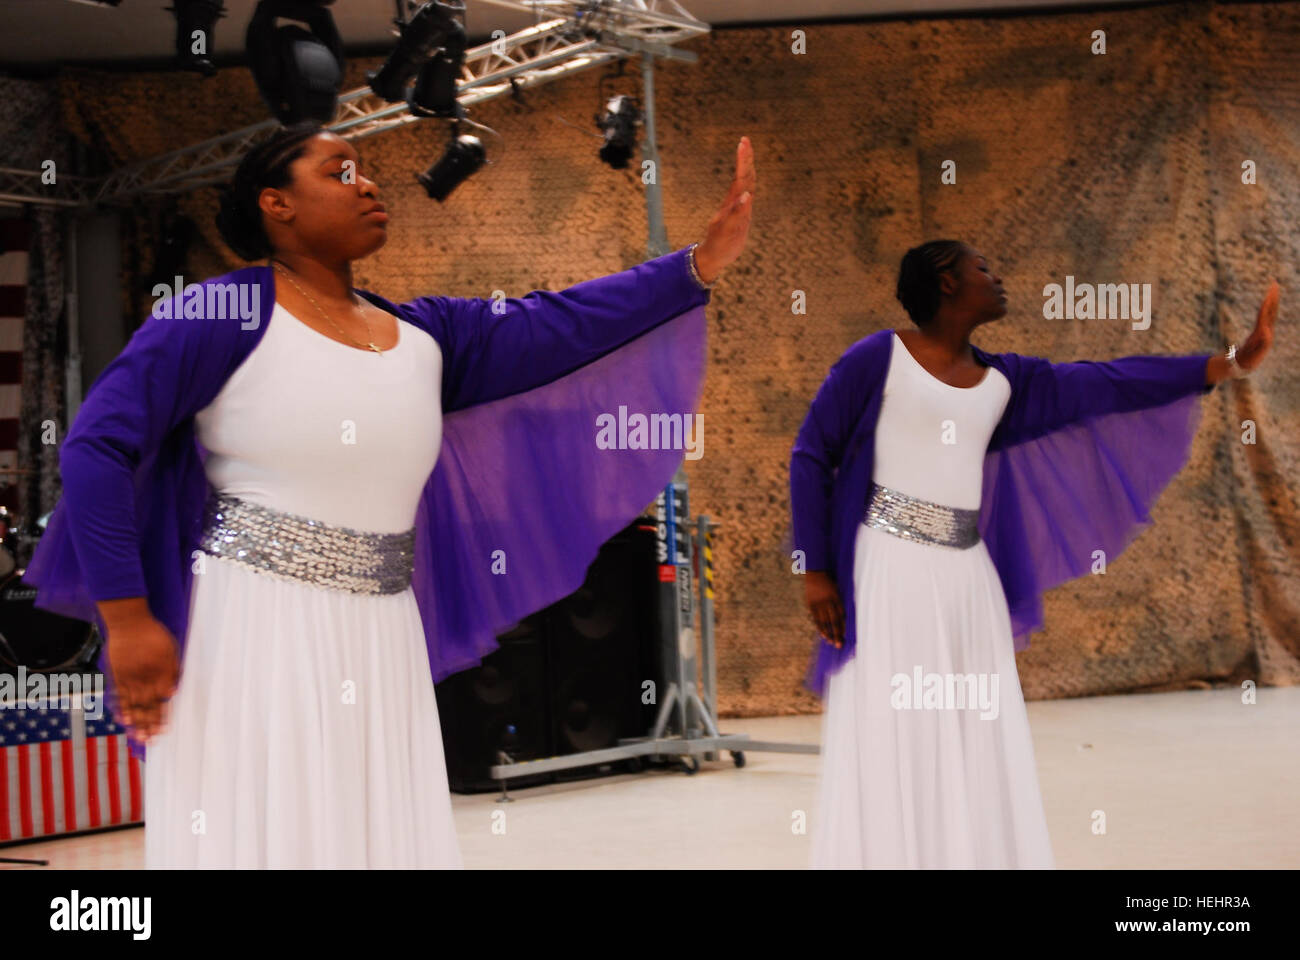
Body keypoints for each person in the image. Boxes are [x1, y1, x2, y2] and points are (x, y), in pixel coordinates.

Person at [24, 122, 756, 868]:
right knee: (269, 832)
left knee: (373, 835)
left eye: (365, 170)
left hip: (383, 630)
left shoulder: (423, 336)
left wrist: (692, 268)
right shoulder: (218, 315)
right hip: (255, 626)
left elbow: (557, 324)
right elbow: (95, 447)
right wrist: (126, 617)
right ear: (276, 204)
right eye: (340, 171)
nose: (368, 184)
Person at [790, 239, 1278, 868]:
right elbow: (811, 454)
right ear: (944, 281)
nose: (998, 275)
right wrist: (816, 571)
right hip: (887, 571)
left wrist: (1226, 364)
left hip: (967, 582)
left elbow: (1106, 383)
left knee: (971, 734)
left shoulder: (1004, 382)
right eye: (983, 267)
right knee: (896, 729)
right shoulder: (876, 359)